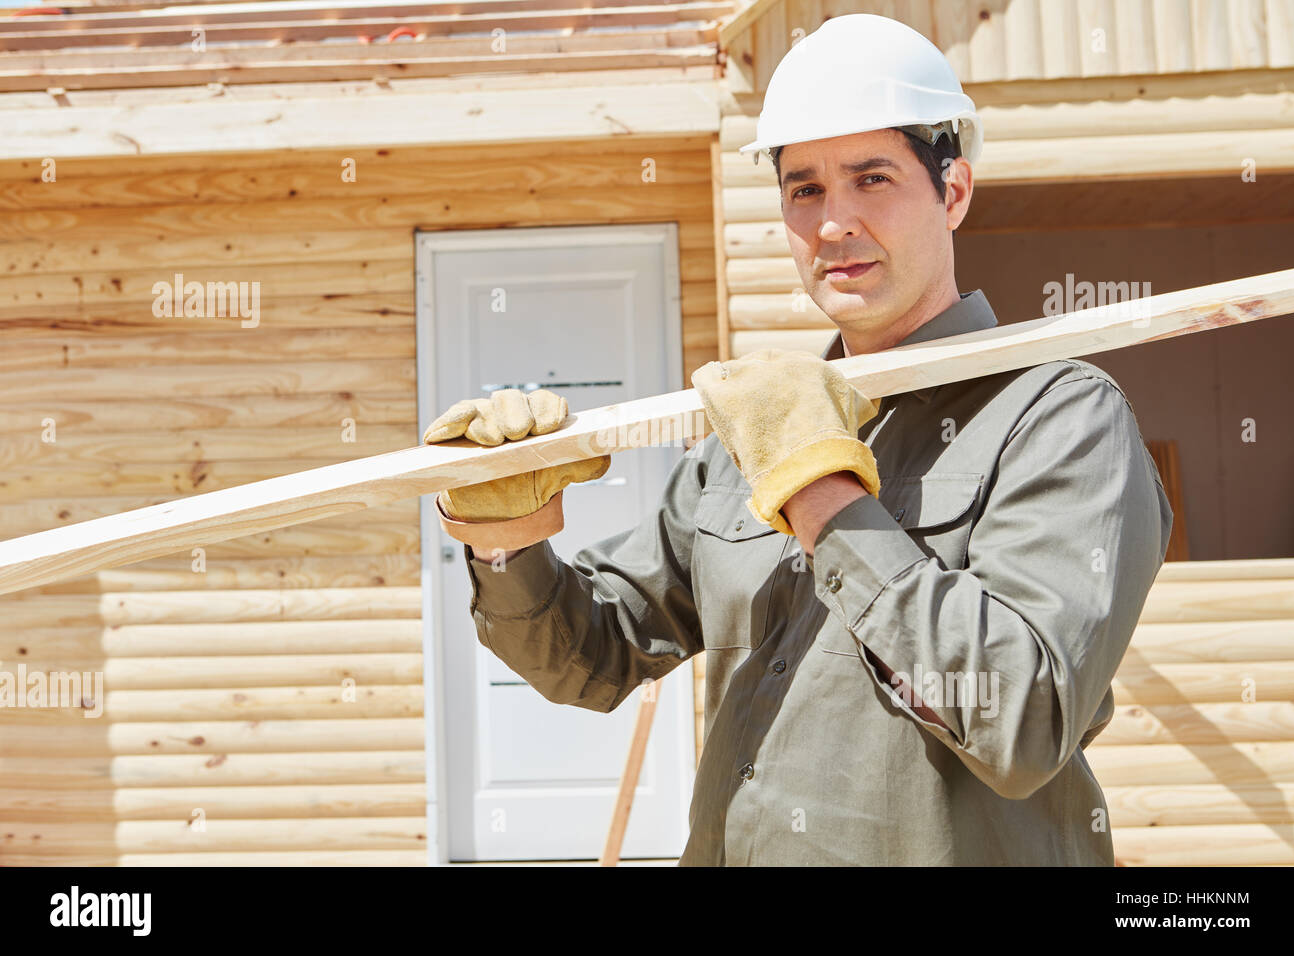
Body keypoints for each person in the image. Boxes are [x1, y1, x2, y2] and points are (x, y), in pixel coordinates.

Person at [423, 13, 1173, 865]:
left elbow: (1021, 718)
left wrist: (817, 489)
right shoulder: (749, 437)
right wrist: (504, 540)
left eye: (873, 177)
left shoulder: (1060, 419)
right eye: (804, 188)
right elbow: (591, 659)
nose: (832, 224)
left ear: (954, 190)